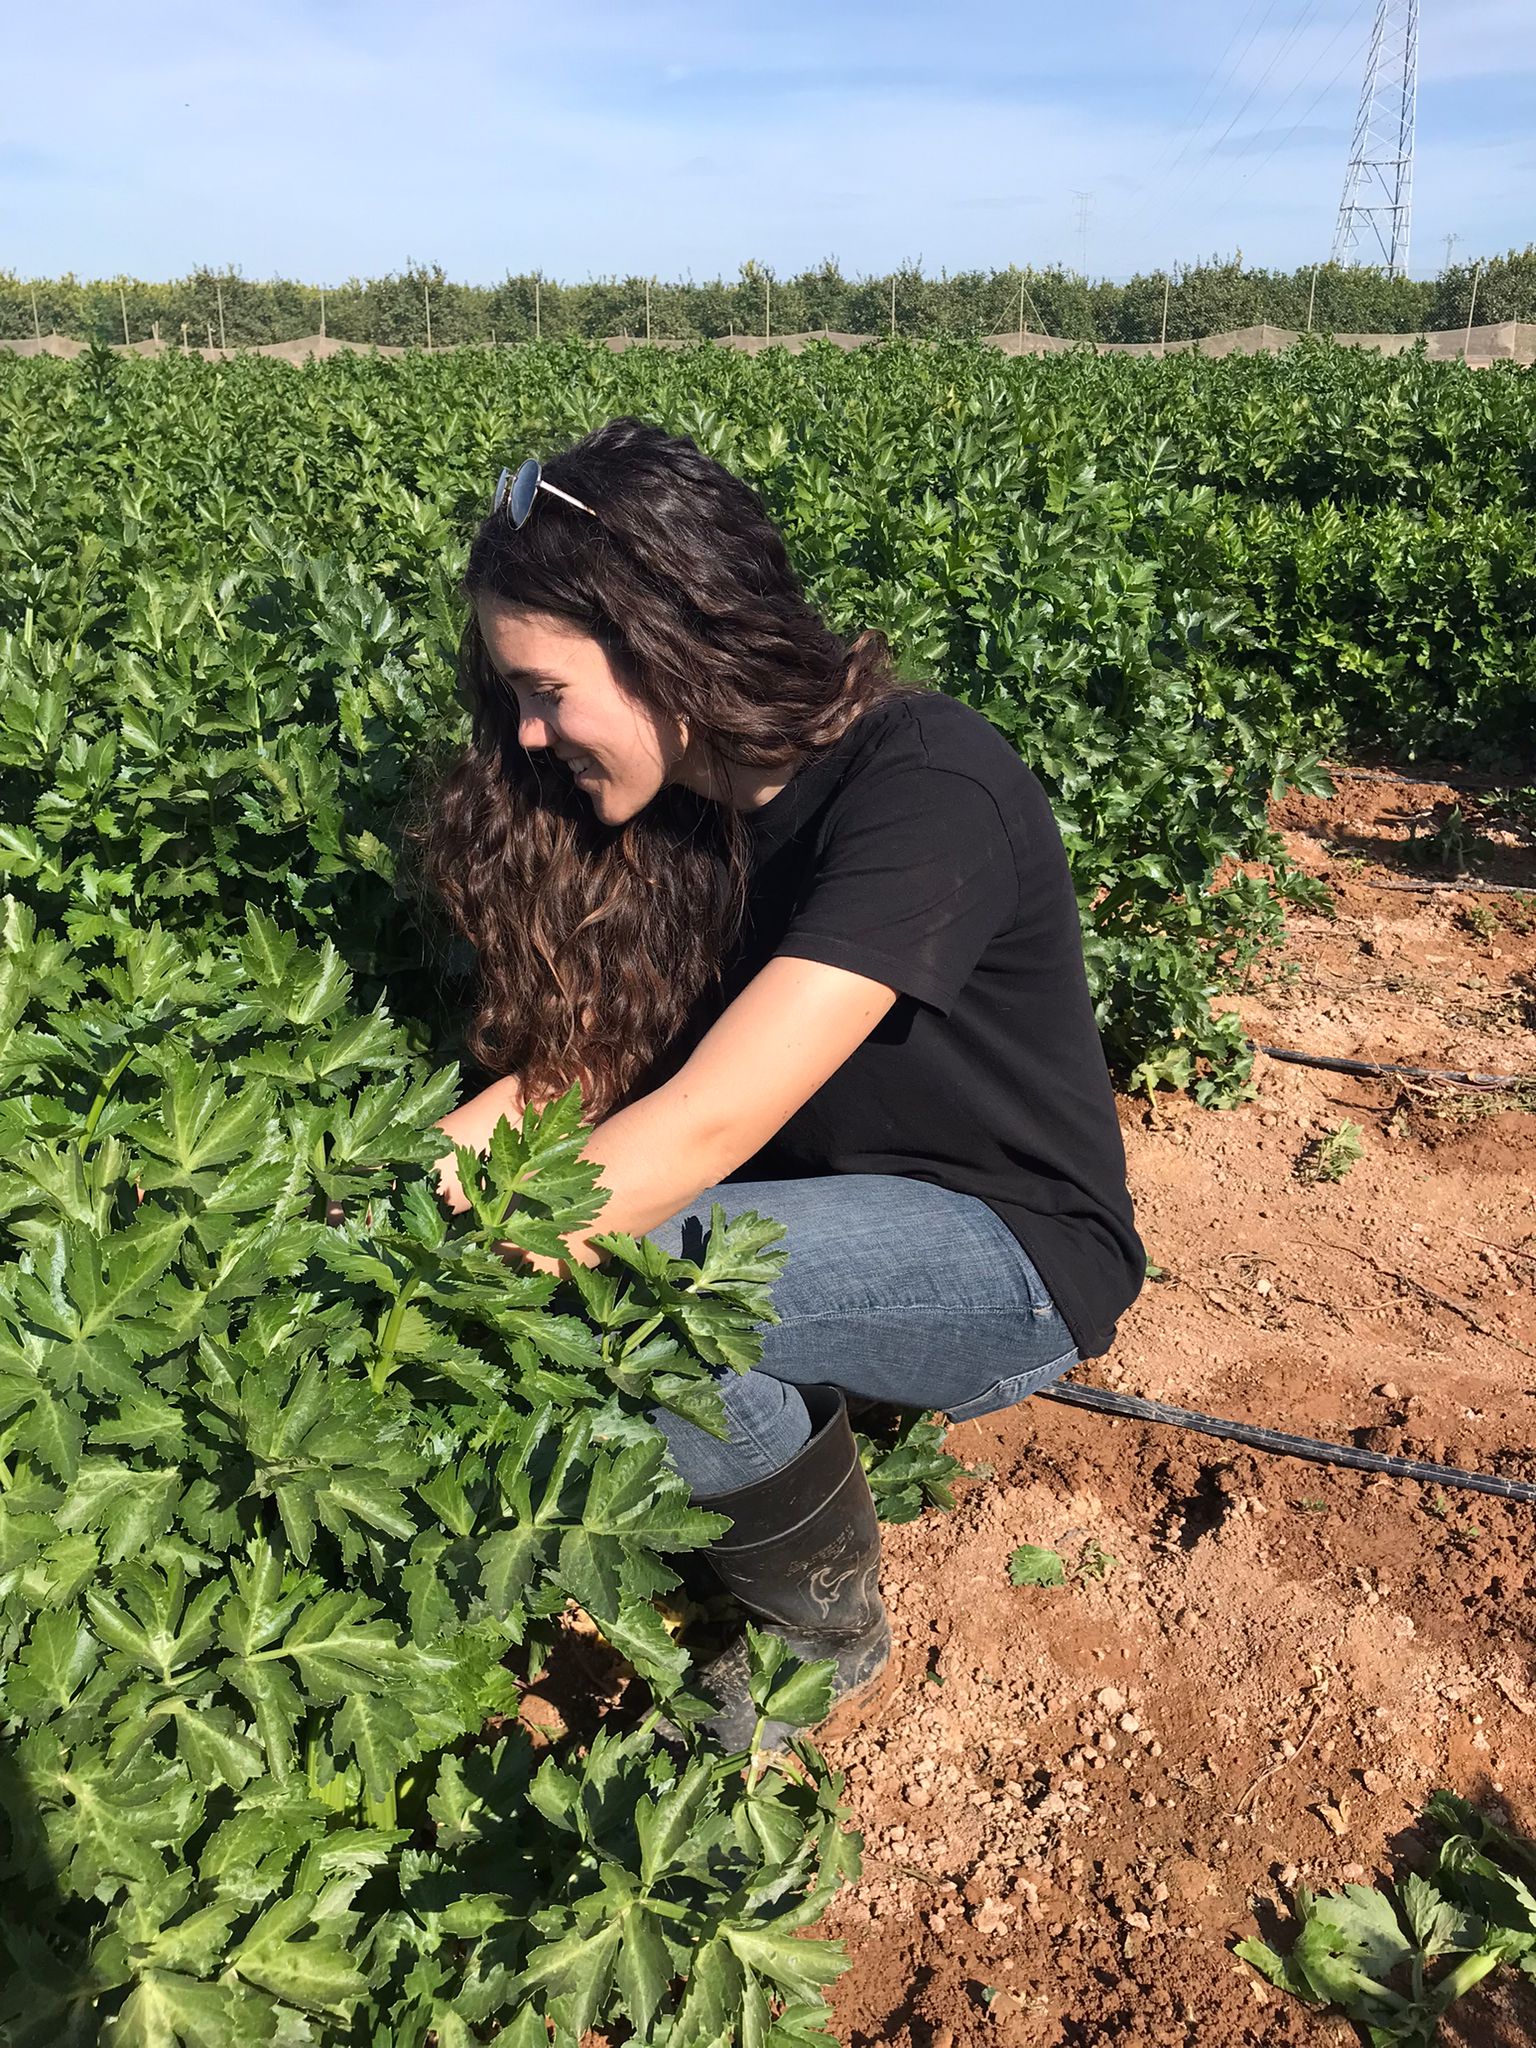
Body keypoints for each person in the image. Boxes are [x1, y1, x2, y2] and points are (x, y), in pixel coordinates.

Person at [409, 417, 1145, 1748]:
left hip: (1008, 1249)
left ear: (663, 644)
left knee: (633, 1278)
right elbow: (576, 1076)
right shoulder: (676, 810)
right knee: (611, 1255)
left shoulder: (928, 785)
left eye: (546, 689)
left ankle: (821, 1632)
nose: (525, 733)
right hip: (807, 1214)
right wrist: (388, 1196)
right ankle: (774, 1456)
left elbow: (710, 1119)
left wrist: (462, 1264)